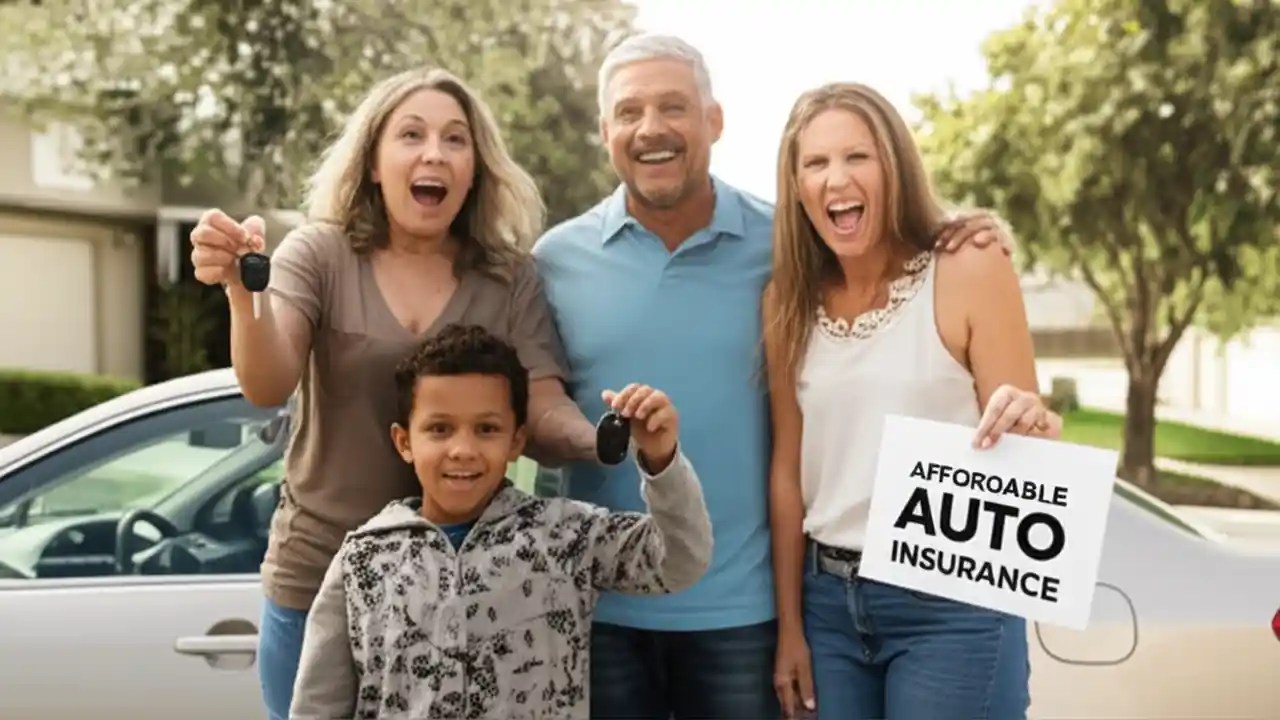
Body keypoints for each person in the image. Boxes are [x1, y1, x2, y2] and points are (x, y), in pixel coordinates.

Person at [532, 33, 1016, 719]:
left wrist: (955, 229)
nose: (651, 127)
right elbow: (534, 419)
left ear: (715, 121)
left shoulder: (787, 246)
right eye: (630, 111)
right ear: (604, 131)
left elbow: (888, 261)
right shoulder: (554, 261)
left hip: (745, 617)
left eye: (674, 106)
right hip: (601, 613)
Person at [187, 67, 601, 719]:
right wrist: (244, 294)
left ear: (475, 170)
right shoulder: (320, 254)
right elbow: (267, 382)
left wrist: (605, 440)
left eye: (455, 139)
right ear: (374, 163)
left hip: (456, 591)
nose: (434, 152)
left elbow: (543, 409)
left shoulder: (508, 278)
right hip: (316, 578)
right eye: (411, 135)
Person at [763, 81, 1064, 720]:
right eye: (815, 163)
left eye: (858, 156)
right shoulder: (785, 301)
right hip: (828, 606)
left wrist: (1034, 422)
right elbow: (788, 473)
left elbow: (1027, 443)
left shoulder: (969, 265)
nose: (836, 178)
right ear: (796, 186)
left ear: (895, 167)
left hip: (953, 602)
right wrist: (790, 626)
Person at [288, 324, 712, 719]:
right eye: (439, 429)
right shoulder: (362, 559)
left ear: (516, 441)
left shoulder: (564, 537)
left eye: (486, 429)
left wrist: (661, 459)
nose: (462, 450)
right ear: (404, 442)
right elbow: (317, 707)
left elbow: (678, 562)